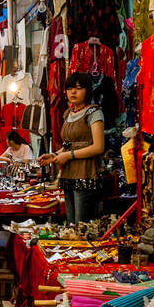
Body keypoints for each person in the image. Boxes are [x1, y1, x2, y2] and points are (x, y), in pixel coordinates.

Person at [39, 72, 105, 224]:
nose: (73, 92)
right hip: (68, 173)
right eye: (69, 89)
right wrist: (54, 155)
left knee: (82, 223)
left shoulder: (94, 113)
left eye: (79, 88)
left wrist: (69, 156)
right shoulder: (68, 113)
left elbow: (98, 147)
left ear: (87, 91)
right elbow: (68, 145)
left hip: (86, 173)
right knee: (71, 222)